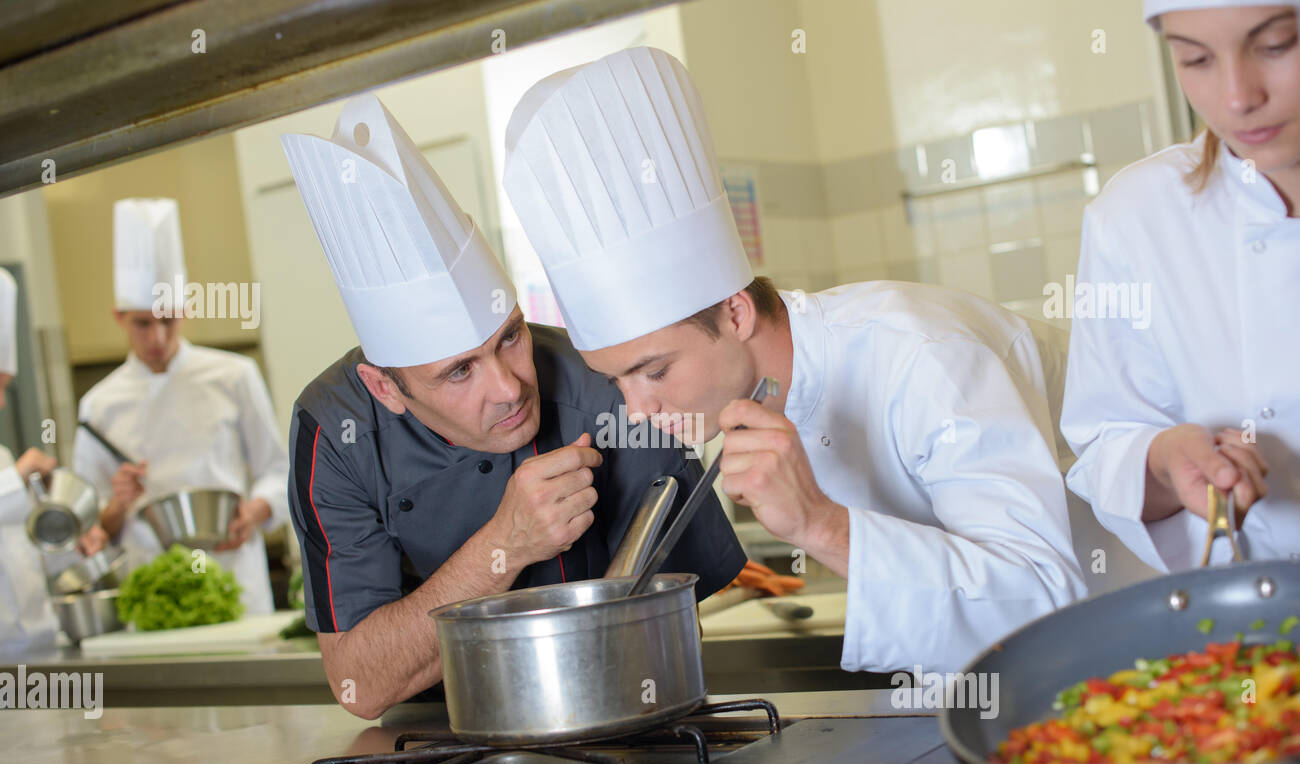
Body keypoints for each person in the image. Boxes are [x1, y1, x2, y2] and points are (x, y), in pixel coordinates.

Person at [503, 47, 1086, 674]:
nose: (639, 411)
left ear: (734, 313)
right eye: (617, 380)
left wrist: (819, 524)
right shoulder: (748, 402)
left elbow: (1045, 601)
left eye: (655, 370)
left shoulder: (926, 358)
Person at [281, 94, 745, 719]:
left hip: (621, 712)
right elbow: (359, 687)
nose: (509, 386)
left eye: (510, 337)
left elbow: (667, 625)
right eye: (459, 372)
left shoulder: (606, 387)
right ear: (386, 388)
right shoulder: (337, 432)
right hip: (435, 737)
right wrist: (505, 544)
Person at [1062, 1, 1299, 571]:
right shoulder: (1137, 217)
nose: (1238, 97)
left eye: (1276, 46)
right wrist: (1165, 460)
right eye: (1195, 58)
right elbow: (1106, 444)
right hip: (1266, 625)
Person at [73, 198, 290, 613]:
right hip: (151, 588)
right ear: (118, 316)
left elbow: (277, 470)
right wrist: (117, 504)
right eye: (143, 323)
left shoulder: (234, 375)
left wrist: (256, 509)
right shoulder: (98, 406)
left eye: (168, 320)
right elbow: (89, 526)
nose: (157, 338)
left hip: (233, 575)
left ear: (186, 310)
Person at [0, 266, 59, 649]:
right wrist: (17, 478)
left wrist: (67, 531)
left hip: (41, 651)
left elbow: (25, 558)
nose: (2, 402)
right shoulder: (11, 468)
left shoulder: (2, 456)